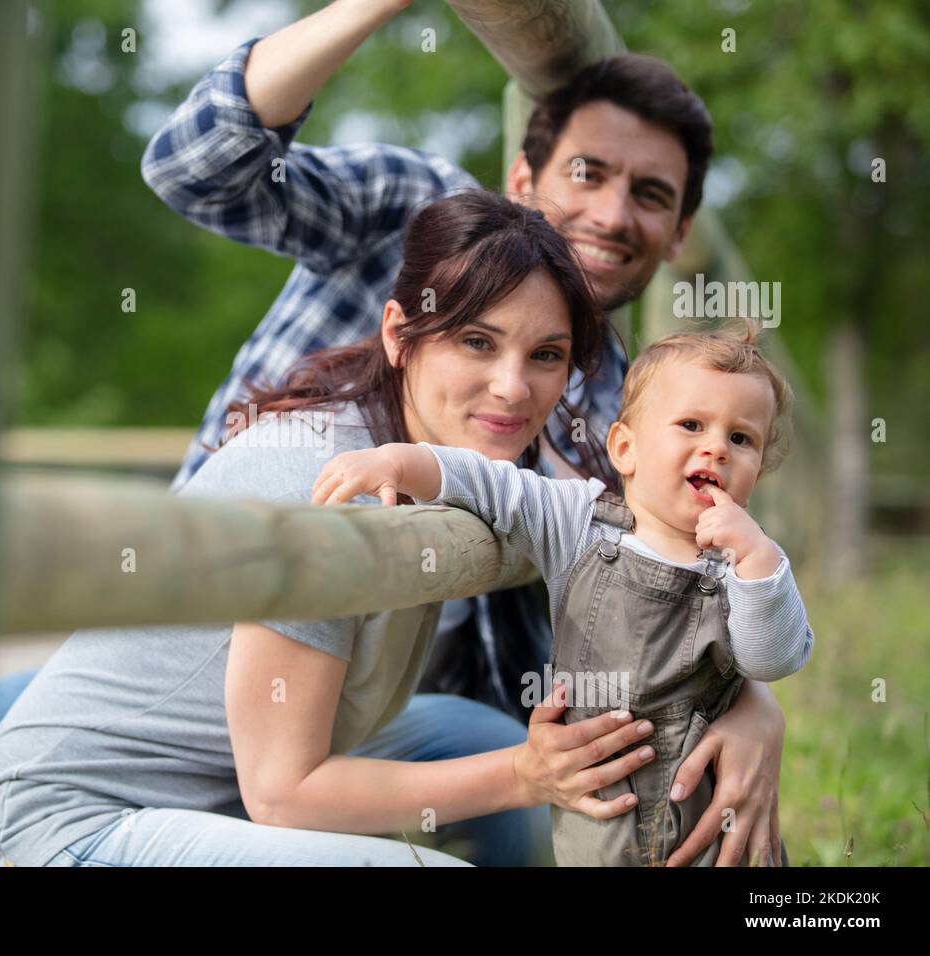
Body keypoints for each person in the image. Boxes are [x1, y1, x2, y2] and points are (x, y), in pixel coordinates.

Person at [132, 0, 788, 866]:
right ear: (522, 180)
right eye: (587, 172)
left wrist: (749, 702)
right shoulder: (421, 214)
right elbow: (193, 168)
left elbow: (660, 566)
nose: (611, 212)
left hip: (377, 696)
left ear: (678, 236)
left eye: (651, 194)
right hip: (192, 643)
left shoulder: (611, 404)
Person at [0, 189, 636, 866]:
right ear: (399, 334)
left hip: (229, 785)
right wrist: (524, 774)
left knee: (471, 732)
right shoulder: (322, 484)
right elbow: (282, 795)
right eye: (476, 342)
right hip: (72, 825)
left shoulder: (442, 462)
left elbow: (633, 529)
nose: (513, 388)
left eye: (546, 355)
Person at [313, 320, 813, 865]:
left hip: (708, 816)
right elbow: (488, 482)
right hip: (602, 808)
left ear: (756, 471)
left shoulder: (748, 565)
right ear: (625, 447)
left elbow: (772, 658)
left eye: (741, 439)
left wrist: (760, 560)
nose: (716, 448)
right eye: (692, 425)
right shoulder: (577, 521)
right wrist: (398, 462)